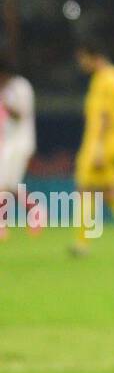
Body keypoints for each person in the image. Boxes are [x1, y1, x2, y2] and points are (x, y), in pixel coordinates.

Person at [73, 42, 114, 255]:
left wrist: (99, 148)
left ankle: (82, 244)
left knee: (86, 191)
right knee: (110, 193)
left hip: (103, 144)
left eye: (82, 58)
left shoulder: (108, 79)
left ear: (93, 56)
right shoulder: (107, 77)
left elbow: (105, 115)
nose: (80, 63)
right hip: (107, 142)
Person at [0, 53, 37, 240]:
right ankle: (36, 212)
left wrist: (5, 103)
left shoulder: (20, 86)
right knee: (9, 185)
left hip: (21, 142)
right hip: (8, 142)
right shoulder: (6, 87)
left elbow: (21, 113)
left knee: (4, 185)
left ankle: (2, 225)